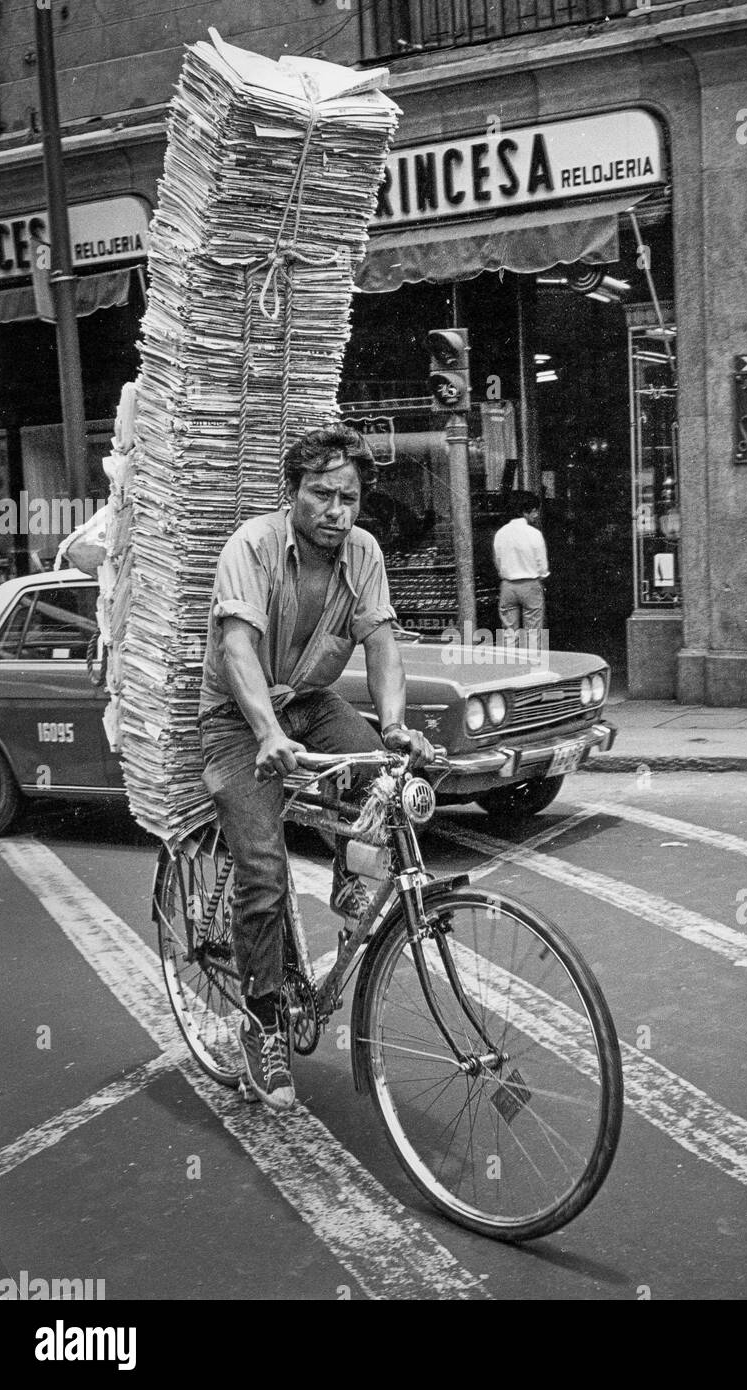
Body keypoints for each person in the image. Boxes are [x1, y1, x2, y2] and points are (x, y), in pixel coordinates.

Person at [199, 425, 434, 1111]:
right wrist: (268, 733)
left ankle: (346, 881)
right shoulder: (252, 547)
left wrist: (393, 727)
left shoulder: (362, 553)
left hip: (311, 701)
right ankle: (263, 1019)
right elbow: (238, 648)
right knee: (264, 872)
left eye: (350, 498)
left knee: (384, 785)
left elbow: (383, 645)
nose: (338, 511)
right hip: (239, 721)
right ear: (292, 494)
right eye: (322, 495)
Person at [493, 491, 549, 641]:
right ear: (525, 511)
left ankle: (511, 663)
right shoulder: (534, 533)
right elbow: (542, 565)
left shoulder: (500, 533)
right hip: (530, 585)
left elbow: (498, 561)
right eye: (535, 511)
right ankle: (532, 662)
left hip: (507, 586)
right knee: (533, 633)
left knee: (509, 633)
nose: (536, 515)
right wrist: (542, 576)